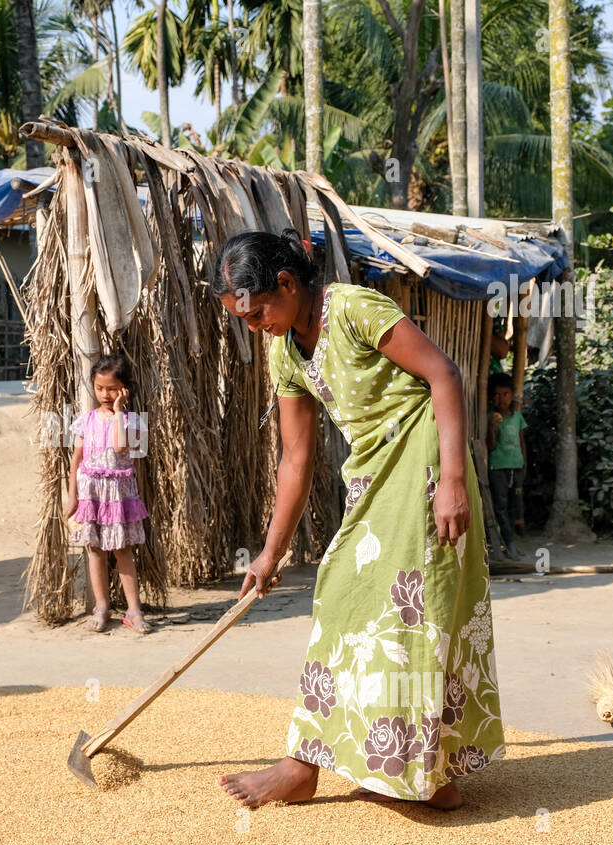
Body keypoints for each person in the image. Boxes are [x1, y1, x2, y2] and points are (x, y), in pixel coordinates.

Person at [212, 229, 505, 811]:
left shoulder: (353, 308)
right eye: (242, 319)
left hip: (422, 462)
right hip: (371, 474)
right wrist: (270, 552)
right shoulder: (283, 351)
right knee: (392, 611)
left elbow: (445, 376)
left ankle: (304, 764)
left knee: (377, 599)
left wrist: (452, 482)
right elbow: (295, 459)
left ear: (288, 284)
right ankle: (431, 774)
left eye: (257, 311)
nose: (255, 326)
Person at [64, 354, 152, 634]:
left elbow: (119, 449)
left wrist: (117, 410)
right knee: (95, 551)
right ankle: (101, 607)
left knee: (122, 550)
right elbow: (76, 460)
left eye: (112, 389)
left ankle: (133, 610)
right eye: (100, 388)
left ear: (125, 389)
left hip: (118, 493)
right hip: (91, 492)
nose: (104, 394)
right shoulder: (85, 421)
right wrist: (72, 496)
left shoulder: (133, 421)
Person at [488, 372, 528, 559]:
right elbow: (491, 446)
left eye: (505, 394)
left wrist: (524, 465)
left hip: (516, 467)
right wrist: (492, 429)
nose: (501, 399)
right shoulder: (491, 418)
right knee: (501, 506)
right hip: (498, 467)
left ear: (512, 396)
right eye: (496, 395)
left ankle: (512, 542)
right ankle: (507, 543)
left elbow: (522, 443)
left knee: (515, 506)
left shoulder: (517, 417)